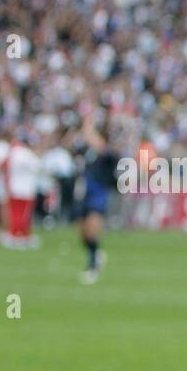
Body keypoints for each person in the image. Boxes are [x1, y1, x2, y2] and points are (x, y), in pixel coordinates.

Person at [78, 114, 117, 283]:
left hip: (98, 195)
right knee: (83, 234)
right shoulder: (89, 153)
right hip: (84, 195)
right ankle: (96, 254)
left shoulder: (107, 153)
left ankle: (92, 267)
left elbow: (94, 140)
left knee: (93, 230)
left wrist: (88, 123)